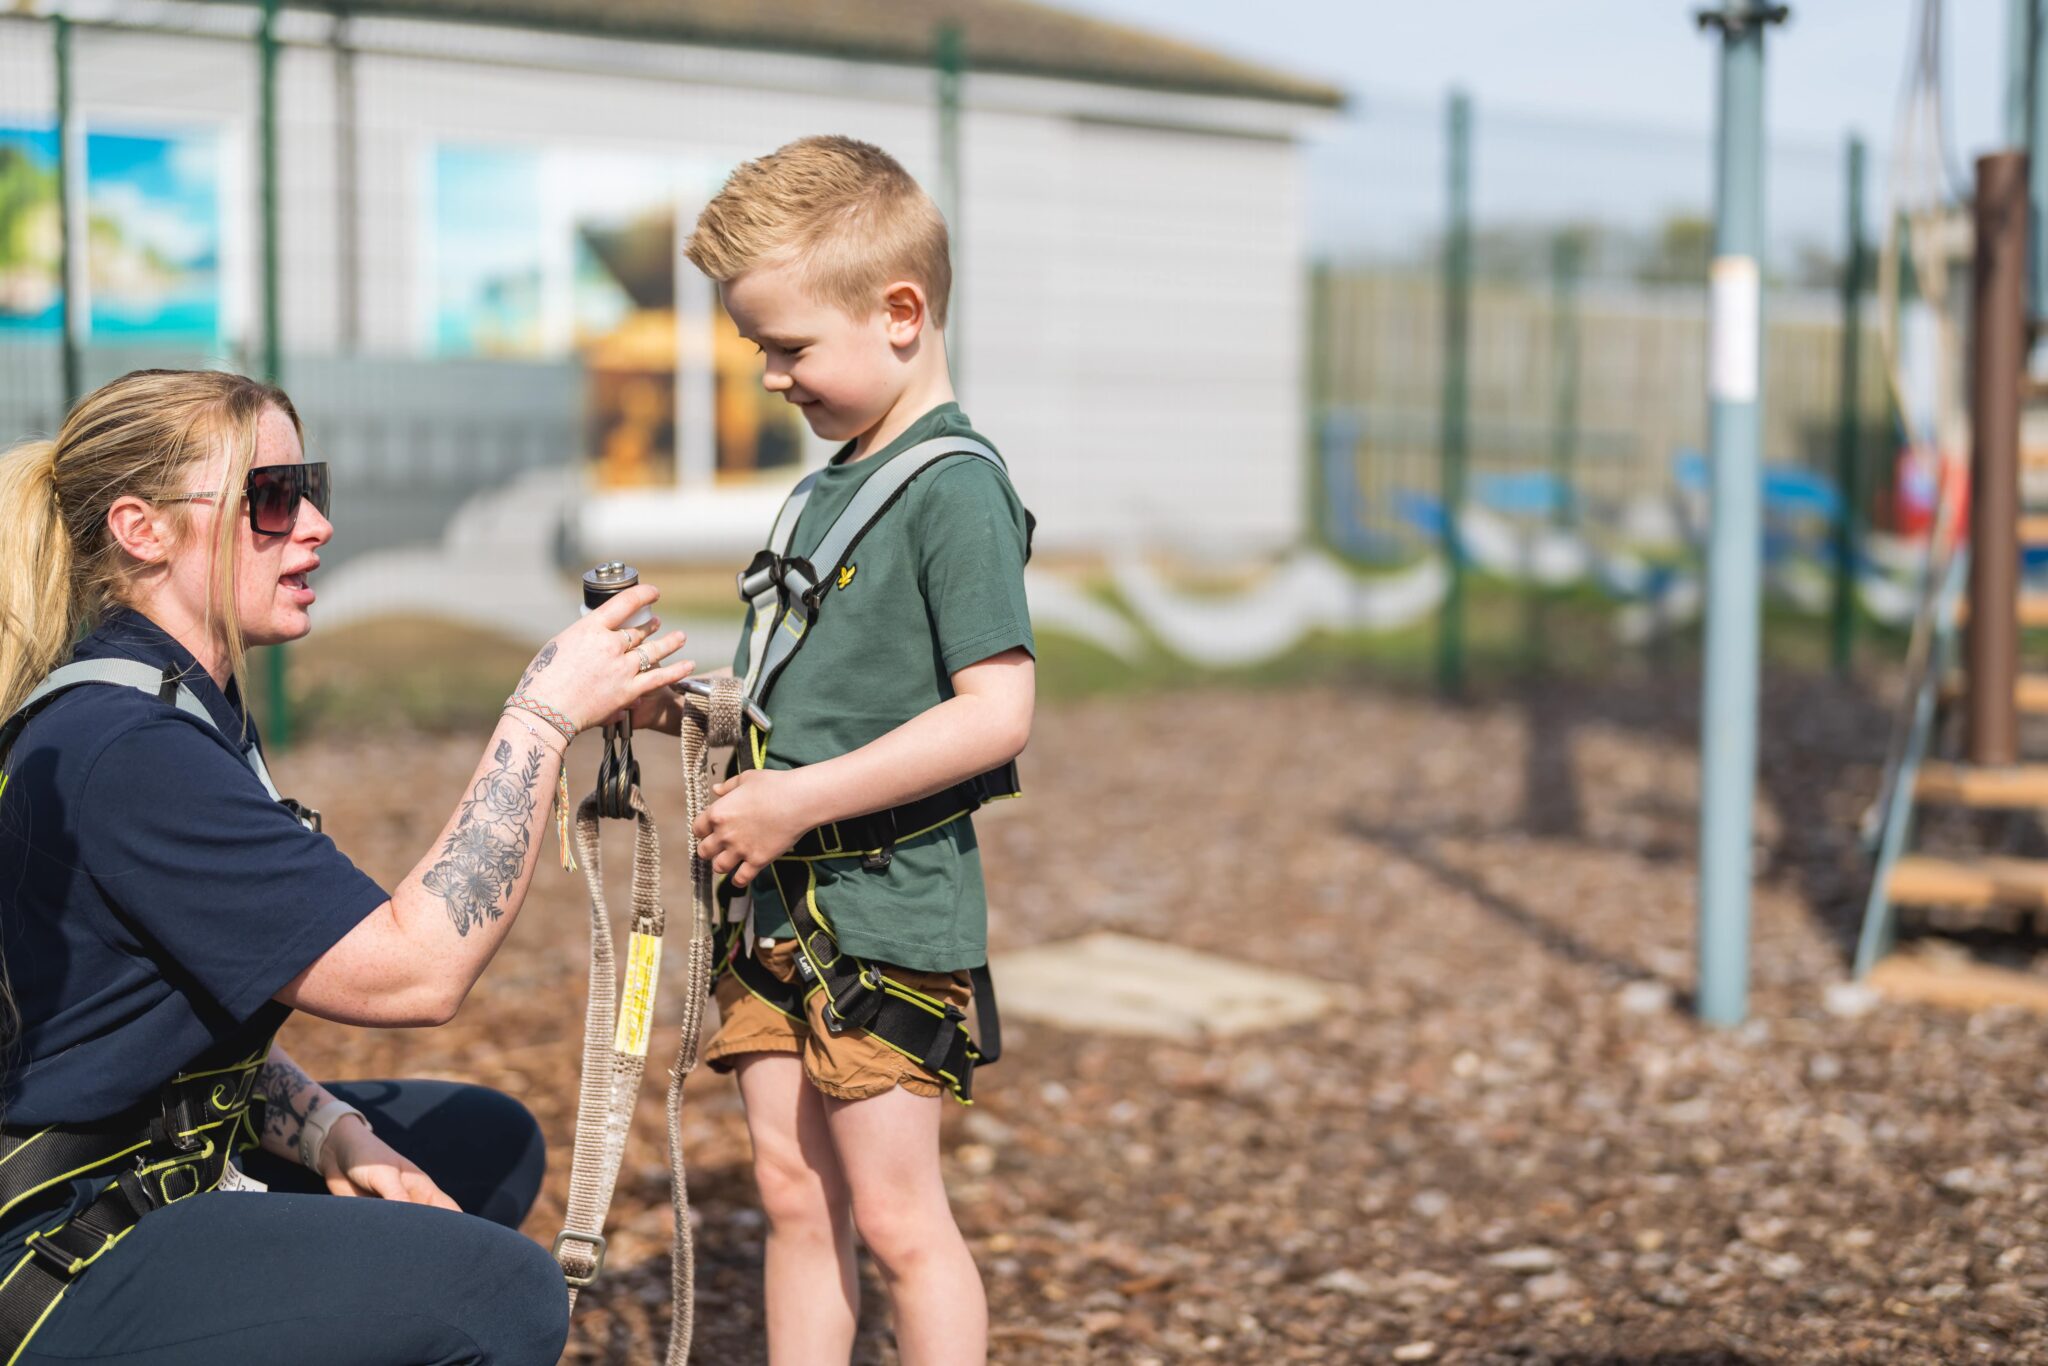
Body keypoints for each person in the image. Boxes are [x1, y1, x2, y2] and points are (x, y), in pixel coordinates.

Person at [0, 368, 694, 1364]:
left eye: (309, 487)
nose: (314, 524)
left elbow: (193, 1000)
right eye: (271, 499)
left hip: (154, 1167)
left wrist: (328, 1130)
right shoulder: (130, 747)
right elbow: (414, 971)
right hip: (56, 1252)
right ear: (142, 530)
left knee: (480, 1139)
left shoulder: (177, 704)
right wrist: (543, 712)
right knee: (501, 1293)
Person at [651, 135, 1036, 1365]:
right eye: (759, 348)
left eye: (788, 347)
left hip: (883, 913)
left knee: (894, 1215)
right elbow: (809, 693)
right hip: (773, 905)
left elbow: (996, 711)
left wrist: (794, 801)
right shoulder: (821, 488)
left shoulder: (954, 489)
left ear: (901, 313)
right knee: (789, 1191)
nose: (771, 376)